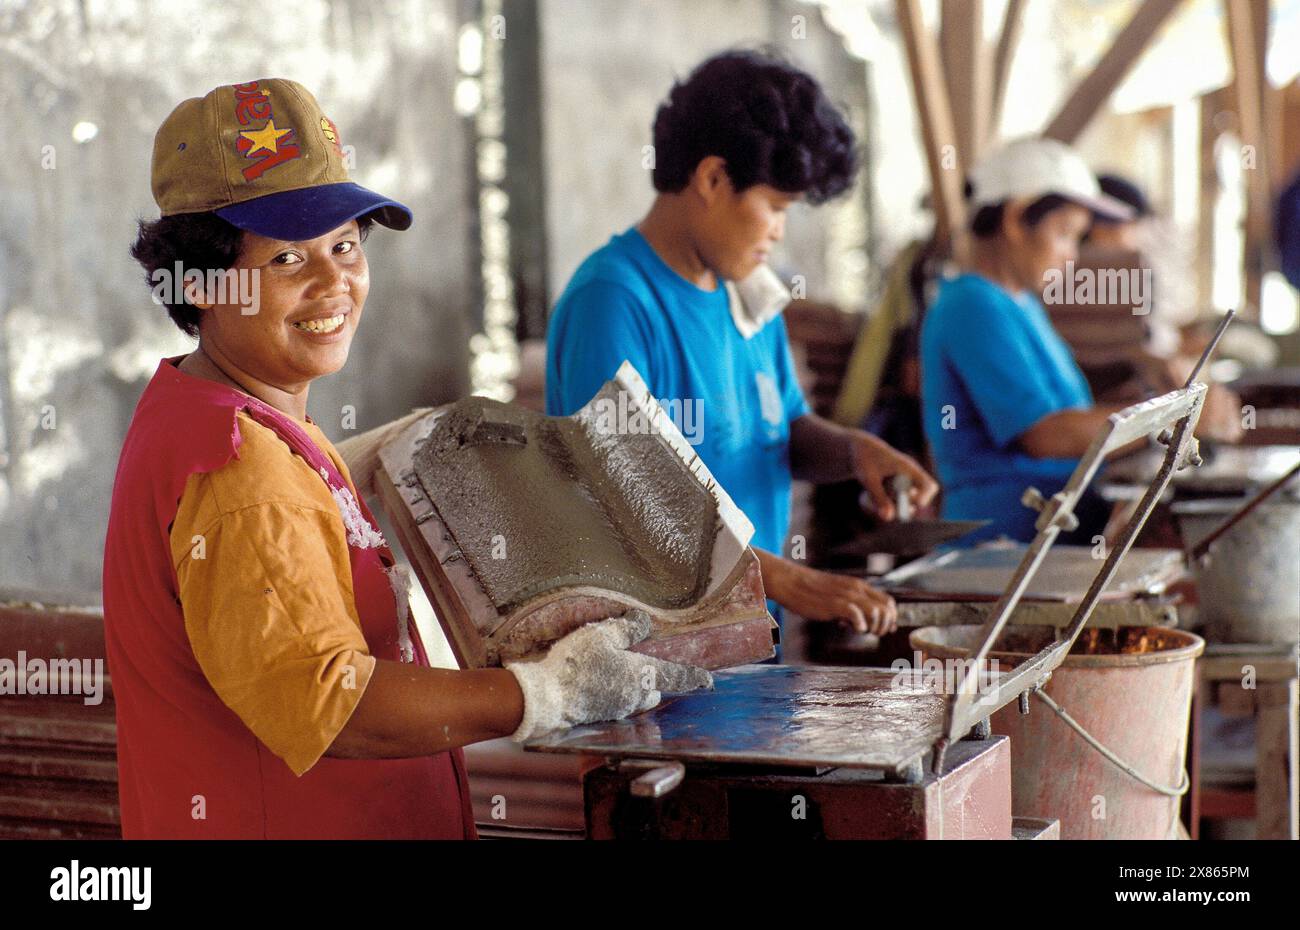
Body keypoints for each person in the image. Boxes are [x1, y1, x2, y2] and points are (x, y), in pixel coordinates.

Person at [103, 78, 710, 839]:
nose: (335, 283)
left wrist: (399, 443)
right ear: (202, 280)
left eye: (347, 245)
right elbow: (332, 702)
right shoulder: (243, 470)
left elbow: (287, 518)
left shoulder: (211, 411)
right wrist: (545, 693)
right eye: (289, 257)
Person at [545, 50, 937, 640]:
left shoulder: (747, 294)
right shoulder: (613, 300)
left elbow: (783, 431)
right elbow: (623, 497)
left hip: (748, 650)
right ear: (711, 179)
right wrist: (784, 578)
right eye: (776, 208)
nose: (780, 231)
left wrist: (857, 453)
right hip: (651, 663)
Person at [920, 139, 1234, 545]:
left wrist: (1156, 392)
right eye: (1065, 233)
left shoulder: (1020, 304)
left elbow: (1071, 413)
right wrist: (1171, 417)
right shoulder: (972, 304)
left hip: (1053, 529)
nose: (1071, 256)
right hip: (1003, 543)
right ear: (1016, 221)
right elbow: (1046, 435)